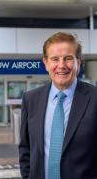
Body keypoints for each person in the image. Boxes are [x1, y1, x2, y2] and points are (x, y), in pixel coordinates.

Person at [19, 32, 97, 179]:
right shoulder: (31, 99)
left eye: (68, 58)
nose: (61, 66)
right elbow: (26, 149)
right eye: (55, 59)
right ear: (46, 63)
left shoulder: (94, 98)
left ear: (78, 62)